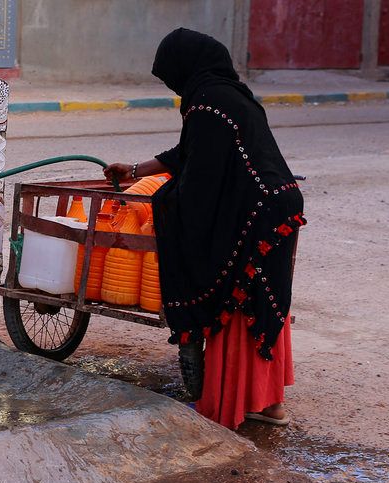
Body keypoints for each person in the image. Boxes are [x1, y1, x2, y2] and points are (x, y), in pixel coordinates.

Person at [104, 28, 305, 430]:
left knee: (234, 299)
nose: (173, 85)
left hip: (253, 212)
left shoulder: (207, 104)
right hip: (278, 206)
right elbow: (192, 153)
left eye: (170, 76)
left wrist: (163, 204)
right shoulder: (232, 95)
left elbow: (200, 180)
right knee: (264, 299)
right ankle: (269, 405)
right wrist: (137, 170)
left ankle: (227, 405)